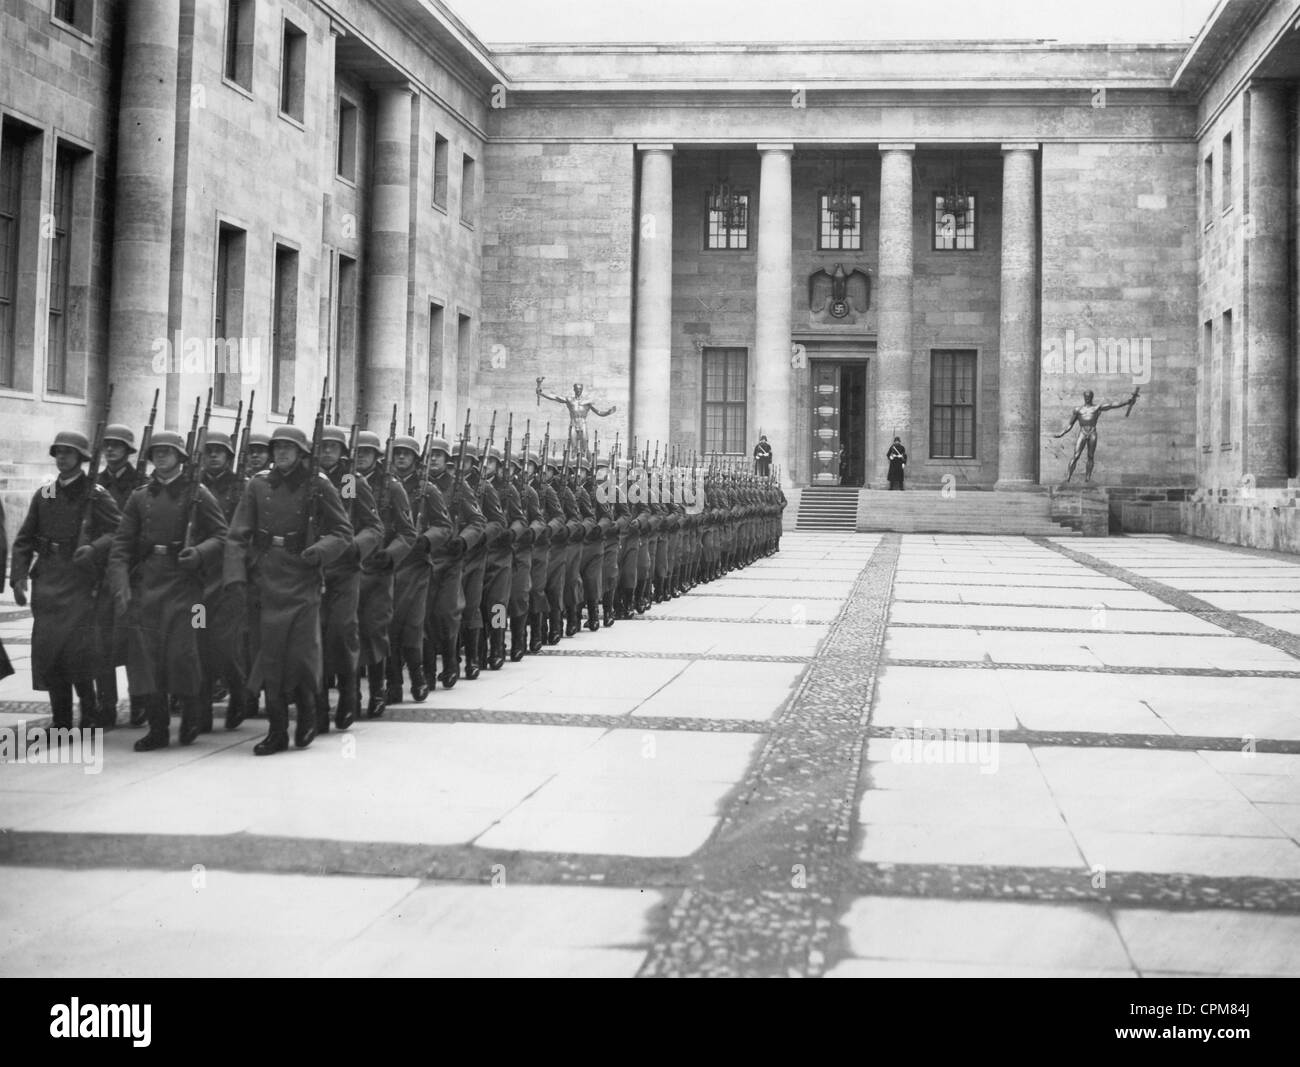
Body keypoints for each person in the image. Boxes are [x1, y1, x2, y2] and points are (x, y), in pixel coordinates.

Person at [223, 424, 353, 755]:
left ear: (301, 453)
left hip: (303, 576)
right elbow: (238, 534)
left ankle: (308, 712)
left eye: (288, 448)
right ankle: (277, 729)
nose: (281, 453)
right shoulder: (258, 484)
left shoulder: (319, 486)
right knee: (269, 655)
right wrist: (236, 576)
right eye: (277, 447)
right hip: (266, 577)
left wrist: (320, 552)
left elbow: (342, 531)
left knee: (301, 654)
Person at [108, 431, 228, 751]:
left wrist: (200, 553)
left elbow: (222, 536)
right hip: (148, 583)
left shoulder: (197, 494)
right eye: (156, 452)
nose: (161, 457)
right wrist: (120, 584)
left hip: (185, 585)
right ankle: (157, 727)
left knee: (182, 654)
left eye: (167, 452)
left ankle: (191, 714)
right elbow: (121, 544)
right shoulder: (139, 496)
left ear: (180, 457)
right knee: (146, 658)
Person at [11, 430, 122, 731]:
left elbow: (118, 533)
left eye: (68, 453)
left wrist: (93, 548)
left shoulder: (95, 494)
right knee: (49, 654)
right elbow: (24, 539)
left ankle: (89, 712)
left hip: (79, 582)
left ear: (82, 458)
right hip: (48, 580)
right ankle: (60, 720)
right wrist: (18, 576)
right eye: (58, 452)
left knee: (76, 653)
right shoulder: (46, 493)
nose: (62, 457)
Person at [1053, 388, 1140, 483]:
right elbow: (1070, 424)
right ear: (1084, 397)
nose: (1087, 398)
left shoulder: (1096, 408)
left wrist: (1127, 402)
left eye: (1089, 396)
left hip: (1092, 433)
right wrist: (1062, 433)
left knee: (1090, 456)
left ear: (1091, 397)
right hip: (1082, 432)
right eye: (1086, 396)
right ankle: (1068, 478)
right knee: (1076, 455)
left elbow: (1112, 405)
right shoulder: (1078, 410)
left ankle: (1087, 478)